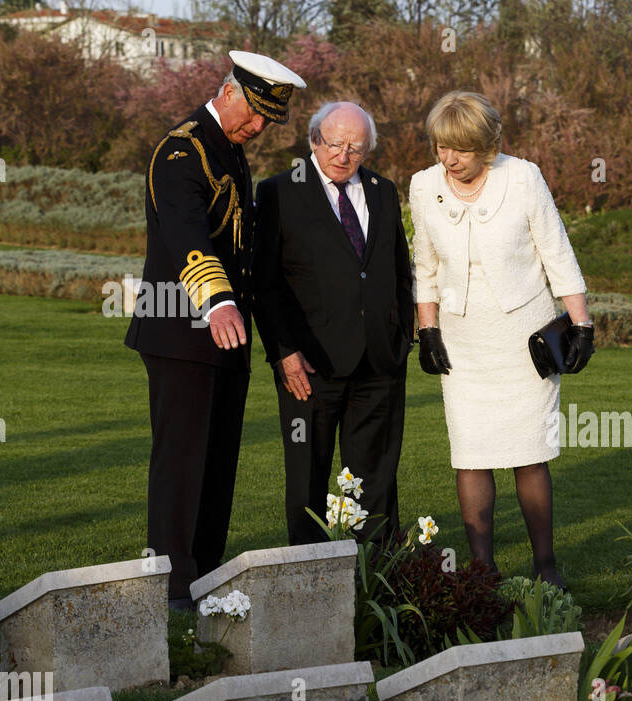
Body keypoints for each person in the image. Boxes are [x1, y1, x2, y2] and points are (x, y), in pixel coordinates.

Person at [125, 51, 305, 611]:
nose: (257, 129)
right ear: (228, 90)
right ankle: (173, 587)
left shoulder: (229, 149)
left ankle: (201, 575)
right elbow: (185, 233)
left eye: (266, 123)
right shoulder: (183, 148)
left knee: (218, 462)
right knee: (182, 463)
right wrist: (219, 300)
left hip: (227, 336)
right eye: (253, 115)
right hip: (183, 330)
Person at [409, 90, 593, 590]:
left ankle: (545, 565)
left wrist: (581, 324)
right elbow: (424, 265)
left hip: (524, 340)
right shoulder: (424, 187)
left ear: (487, 145)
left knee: (529, 452)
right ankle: (482, 570)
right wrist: (427, 330)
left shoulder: (523, 176)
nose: (449, 159)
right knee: (471, 452)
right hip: (462, 343)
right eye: (441, 147)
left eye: (461, 150)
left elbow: (556, 251)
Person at [252, 102, 415, 546]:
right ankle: (310, 580)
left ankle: (375, 582)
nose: (343, 155)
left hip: (380, 362)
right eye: (334, 144)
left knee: (376, 481)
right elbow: (263, 284)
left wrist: (403, 336)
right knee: (309, 476)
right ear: (313, 141)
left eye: (356, 148)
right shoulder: (278, 193)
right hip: (309, 366)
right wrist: (283, 352)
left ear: (369, 150)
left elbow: (399, 269)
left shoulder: (383, 191)